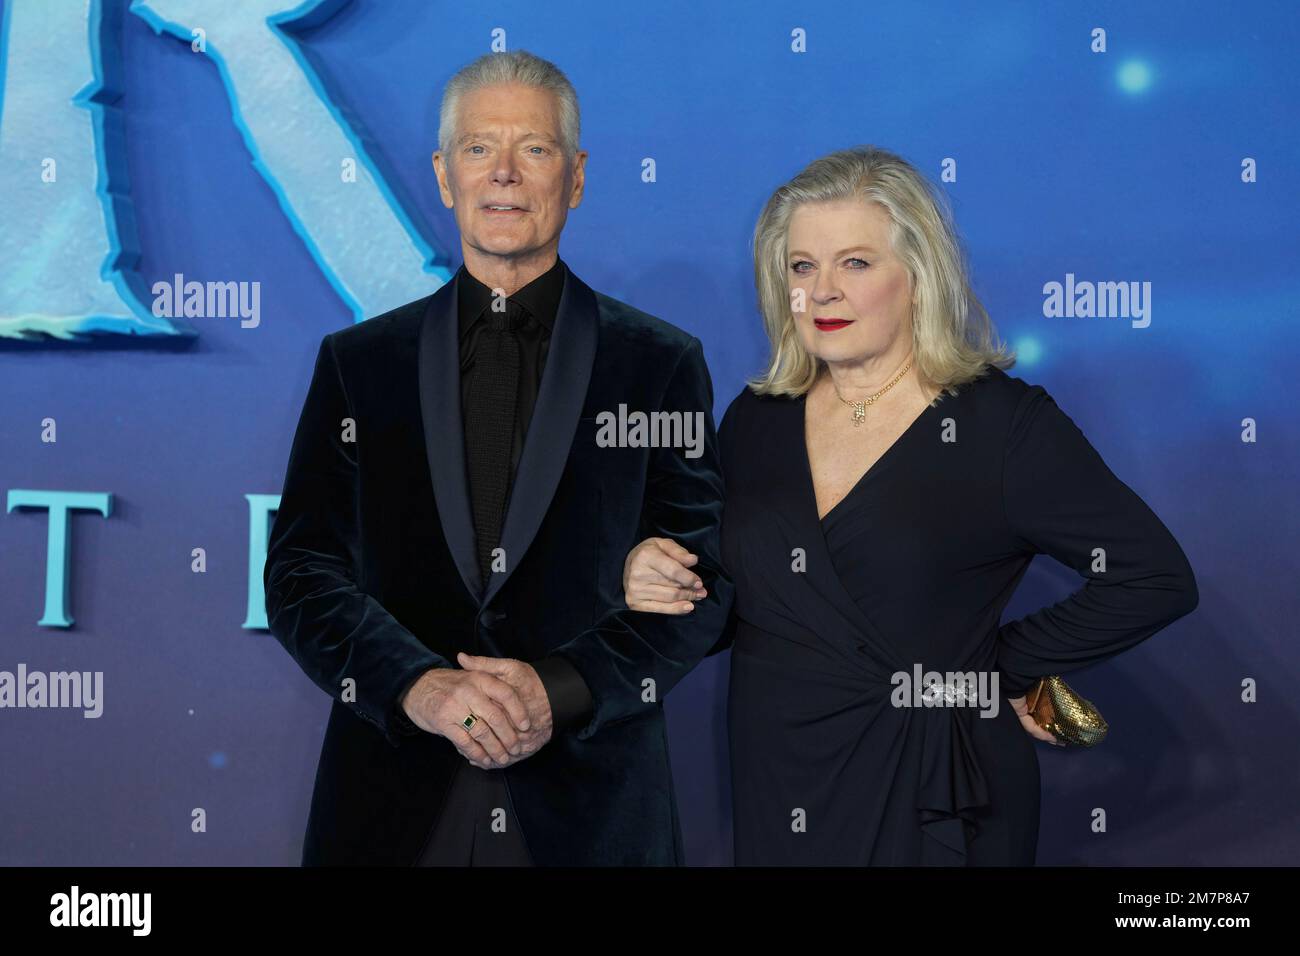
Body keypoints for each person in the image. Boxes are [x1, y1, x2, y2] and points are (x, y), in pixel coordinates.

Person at [622, 146, 1198, 865]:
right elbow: (727, 610)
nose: (823, 291)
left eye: (855, 263)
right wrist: (656, 575)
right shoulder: (755, 418)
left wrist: (994, 669)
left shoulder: (1002, 426)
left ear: (919, 277)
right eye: (802, 267)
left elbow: (1154, 577)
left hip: (937, 790)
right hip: (781, 781)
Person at [264, 50, 732, 866]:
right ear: (445, 176)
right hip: (394, 800)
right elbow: (301, 573)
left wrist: (556, 691)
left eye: (535, 149)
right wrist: (421, 686)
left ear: (576, 177)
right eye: (480, 149)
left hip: (592, 810)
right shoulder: (357, 364)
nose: (505, 175)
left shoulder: (658, 363)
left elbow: (706, 586)